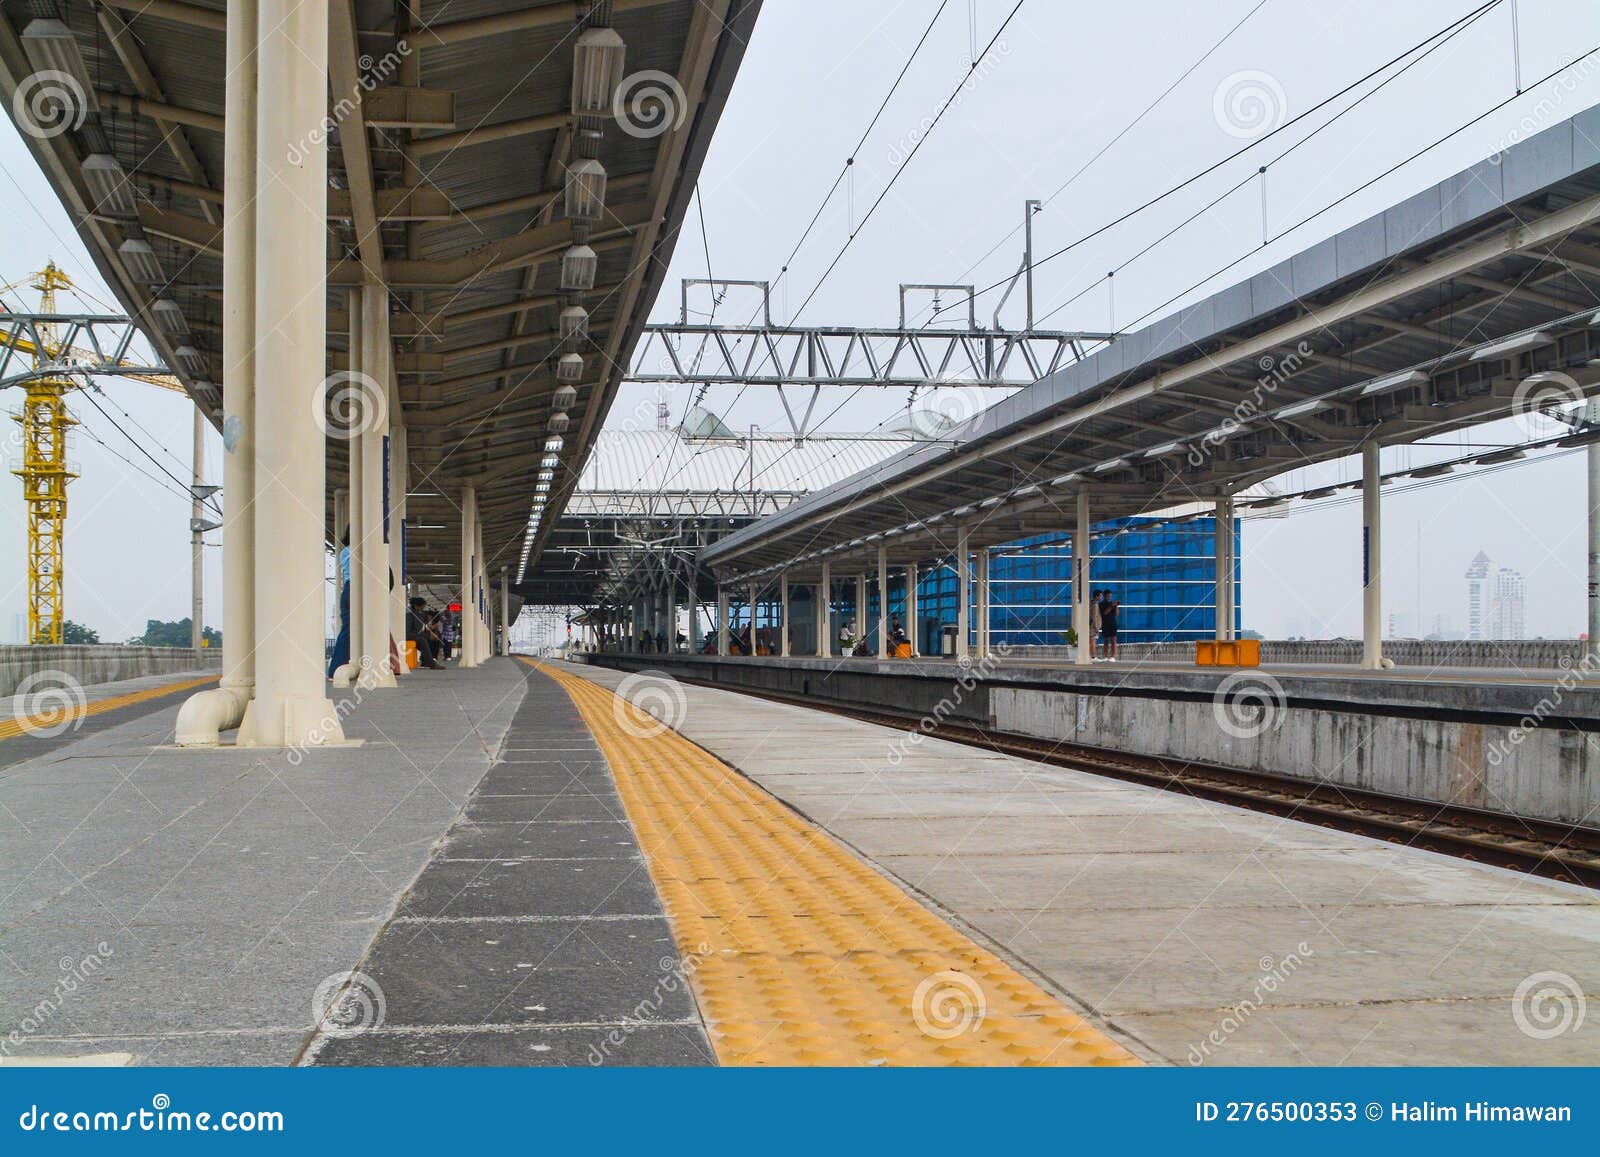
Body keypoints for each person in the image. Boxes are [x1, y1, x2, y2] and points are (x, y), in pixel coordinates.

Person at [326, 529, 352, 678]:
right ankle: (336, 669)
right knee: (350, 631)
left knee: (348, 629)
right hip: (356, 588)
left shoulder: (345, 551)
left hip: (348, 589)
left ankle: (337, 666)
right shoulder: (360, 551)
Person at [407, 597, 444, 668]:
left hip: (416, 636)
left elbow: (422, 628)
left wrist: (431, 634)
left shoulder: (418, 615)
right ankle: (431, 664)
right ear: (416, 606)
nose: (423, 608)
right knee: (423, 640)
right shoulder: (409, 615)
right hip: (409, 636)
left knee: (434, 639)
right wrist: (427, 635)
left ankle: (427, 661)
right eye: (422, 607)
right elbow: (408, 632)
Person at [1100, 591, 1120, 662]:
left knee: (1113, 640)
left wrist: (1116, 606)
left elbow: (1116, 614)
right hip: (1105, 623)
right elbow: (1105, 613)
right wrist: (1112, 606)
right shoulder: (1101, 604)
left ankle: (1113, 656)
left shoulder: (1112, 603)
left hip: (1113, 623)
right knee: (1106, 640)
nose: (1109, 597)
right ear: (1104, 596)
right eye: (1108, 596)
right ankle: (1105, 656)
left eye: (1110, 596)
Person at [1089, 589, 1103, 660]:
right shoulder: (1095, 605)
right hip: (1093, 626)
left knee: (1091, 641)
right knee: (1093, 641)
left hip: (1091, 625)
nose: (1101, 597)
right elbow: (1094, 617)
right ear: (1097, 596)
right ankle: (1093, 656)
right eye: (1100, 596)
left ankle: (1091, 655)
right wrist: (1096, 627)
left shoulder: (1091, 603)